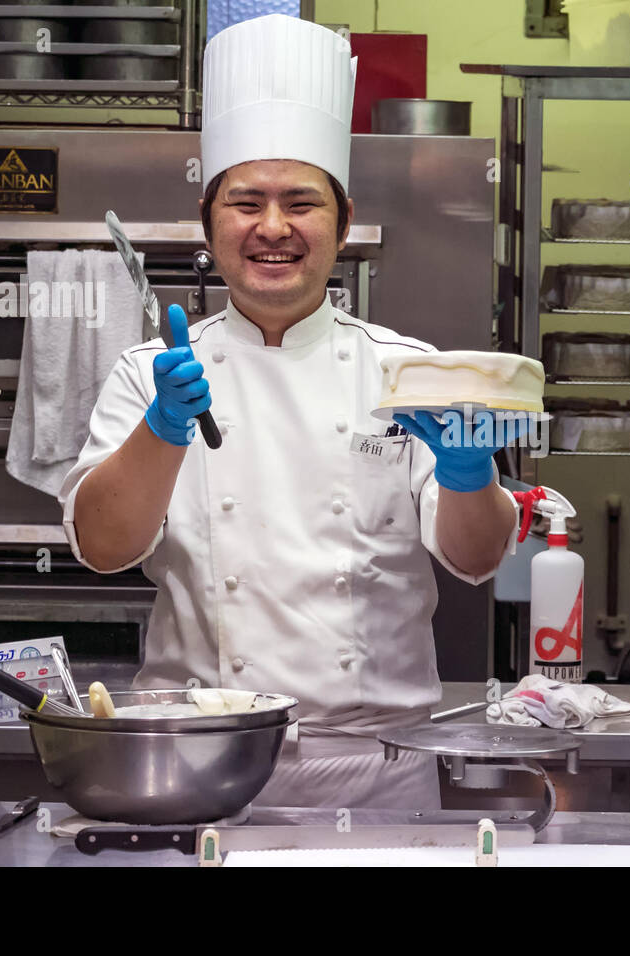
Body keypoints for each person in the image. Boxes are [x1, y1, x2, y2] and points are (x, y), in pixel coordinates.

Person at [59, 15, 520, 810]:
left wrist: (469, 473)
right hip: (196, 755)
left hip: (380, 767)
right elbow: (102, 548)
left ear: (342, 225)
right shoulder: (150, 374)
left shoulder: (409, 371)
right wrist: (162, 432)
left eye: (300, 202)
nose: (273, 227)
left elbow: (475, 560)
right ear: (210, 223)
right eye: (246, 202)